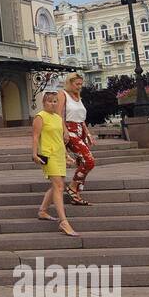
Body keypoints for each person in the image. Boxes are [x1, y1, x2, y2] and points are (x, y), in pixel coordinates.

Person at [32, 90, 77, 237]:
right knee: (59, 186)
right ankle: (63, 221)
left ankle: (43, 211)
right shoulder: (40, 117)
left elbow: (60, 139)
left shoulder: (58, 118)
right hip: (48, 154)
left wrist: (66, 155)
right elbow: (35, 137)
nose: (53, 103)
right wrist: (34, 154)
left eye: (55, 101)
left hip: (59, 154)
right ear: (44, 102)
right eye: (50, 101)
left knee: (57, 185)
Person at [56, 72, 96, 206]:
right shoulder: (63, 94)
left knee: (82, 163)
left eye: (81, 84)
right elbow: (59, 115)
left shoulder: (78, 97)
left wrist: (88, 134)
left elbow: (82, 119)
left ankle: (76, 195)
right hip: (70, 131)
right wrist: (65, 131)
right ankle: (72, 188)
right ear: (69, 83)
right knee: (89, 161)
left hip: (80, 131)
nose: (80, 86)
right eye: (77, 84)